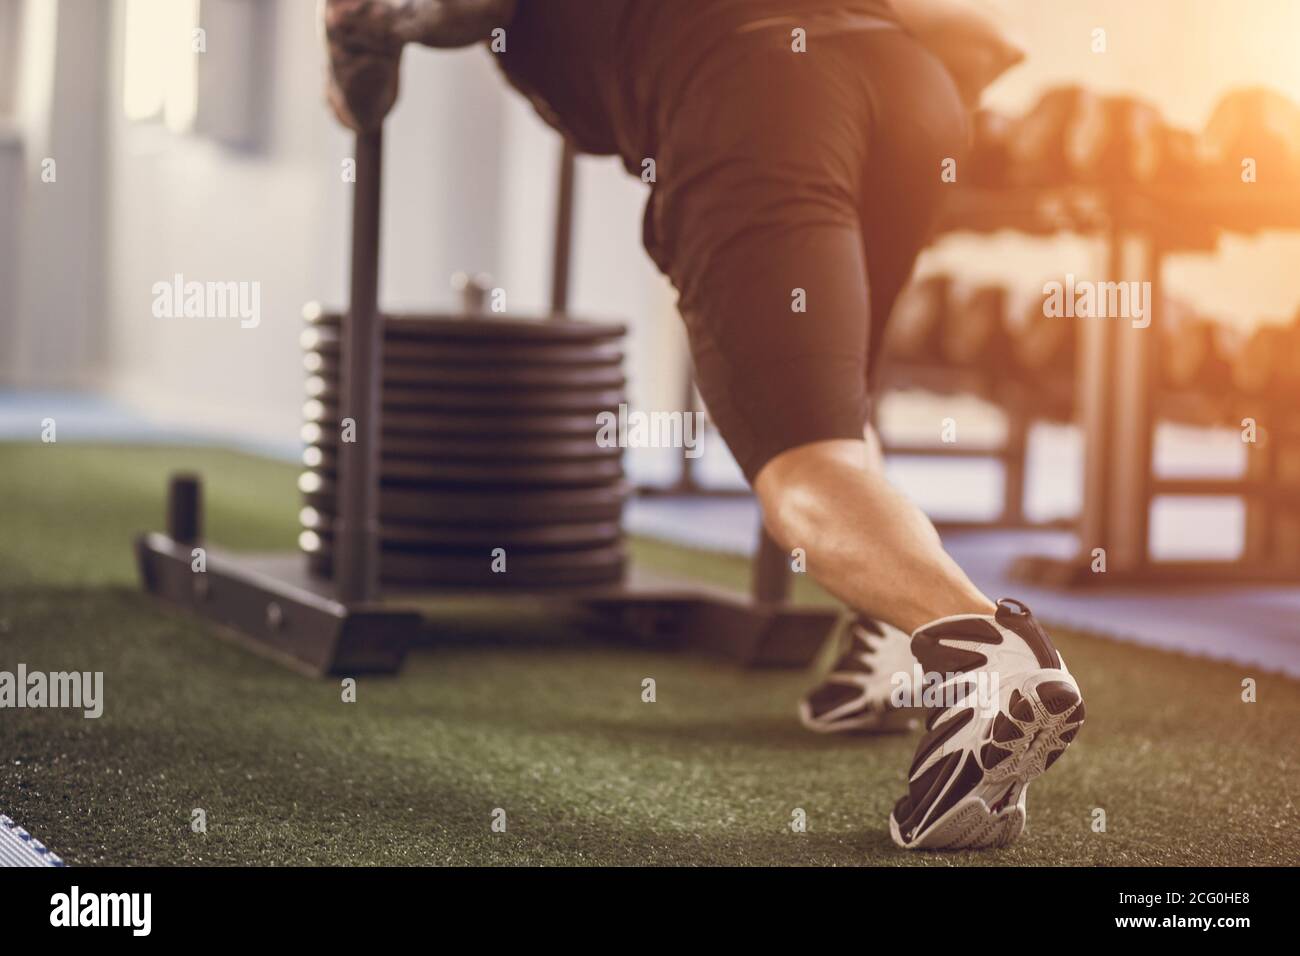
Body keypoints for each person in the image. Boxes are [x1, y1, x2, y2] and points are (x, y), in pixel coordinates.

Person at [322, 0, 1085, 851]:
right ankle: (894, 651)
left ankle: (988, 657)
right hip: (909, 93)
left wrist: (351, 43)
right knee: (835, 416)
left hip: (760, 96)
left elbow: (381, 36)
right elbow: (984, 37)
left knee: (802, 466)